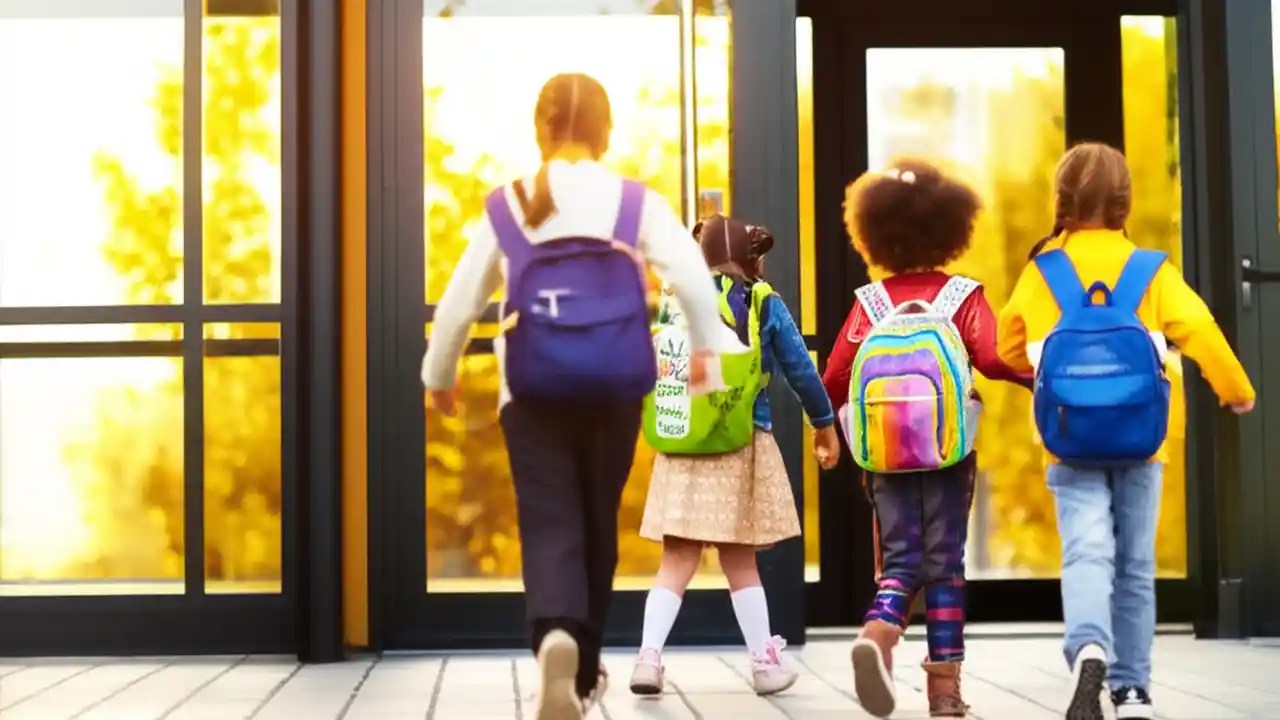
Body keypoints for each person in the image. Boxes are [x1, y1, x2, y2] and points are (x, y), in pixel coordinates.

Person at [420, 72, 724, 720]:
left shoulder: (512, 203)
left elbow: (458, 303)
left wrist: (437, 374)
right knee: (595, 523)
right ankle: (584, 676)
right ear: (605, 131)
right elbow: (693, 279)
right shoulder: (631, 201)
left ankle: (555, 637)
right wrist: (704, 351)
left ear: (540, 129)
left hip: (531, 389)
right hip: (615, 385)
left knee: (550, 519)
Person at [997, 142, 1255, 720]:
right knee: (1134, 565)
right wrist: (1237, 394)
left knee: (1086, 553)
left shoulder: (1045, 271)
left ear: (1061, 202)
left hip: (1068, 439)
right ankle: (1132, 689)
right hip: (1144, 441)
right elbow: (1202, 332)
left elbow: (1005, 347)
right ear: (1124, 203)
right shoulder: (1151, 271)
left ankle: (1089, 645)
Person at [823, 161, 1031, 718]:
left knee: (899, 560)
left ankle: (881, 628)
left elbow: (835, 377)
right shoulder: (961, 297)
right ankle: (945, 691)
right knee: (945, 565)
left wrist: (829, 431)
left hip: (884, 456)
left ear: (873, 233)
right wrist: (1043, 378)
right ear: (951, 228)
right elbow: (993, 358)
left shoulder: (869, 304)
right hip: (947, 452)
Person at [629, 215, 841, 697]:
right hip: (738, 435)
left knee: (677, 557)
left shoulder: (674, 298)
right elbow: (801, 370)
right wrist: (824, 424)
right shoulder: (763, 301)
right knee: (740, 558)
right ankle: (765, 664)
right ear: (751, 260)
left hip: (683, 439)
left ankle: (649, 657)